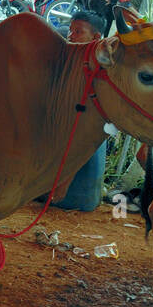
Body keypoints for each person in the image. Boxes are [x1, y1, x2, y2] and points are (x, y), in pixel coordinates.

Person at [52, 11, 110, 211]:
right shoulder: (73, 59)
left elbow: (94, 134)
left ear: (95, 38)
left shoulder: (102, 71)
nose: (70, 36)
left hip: (80, 173)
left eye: (78, 32)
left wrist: (66, 179)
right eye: (70, 30)